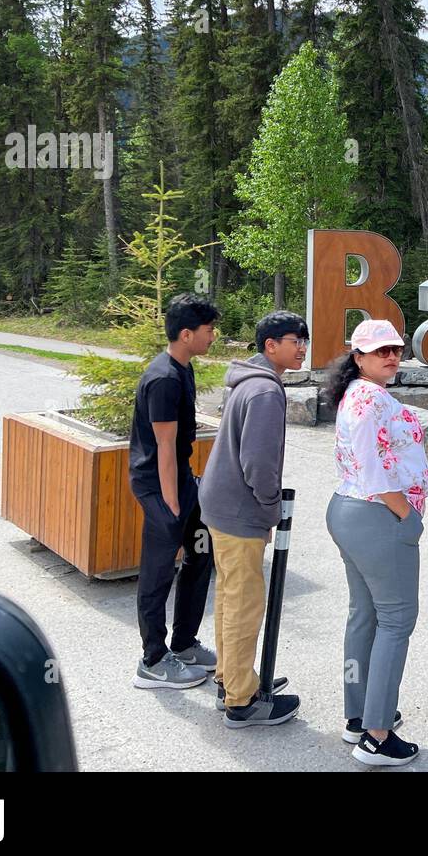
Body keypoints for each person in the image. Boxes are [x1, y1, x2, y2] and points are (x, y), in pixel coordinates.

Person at [323, 319, 428, 767]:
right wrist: (406, 514)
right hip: (377, 514)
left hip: (353, 511)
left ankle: (360, 714)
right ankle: (378, 735)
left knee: (364, 615)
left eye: (396, 349)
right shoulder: (369, 398)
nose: (391, 356)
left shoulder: (359, 393)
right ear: (358, 356)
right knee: (396, 620)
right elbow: (372, 468)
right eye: (380, 350)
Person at [200, 311, 308, 728]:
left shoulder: (247, 381)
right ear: (270, 345)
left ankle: (231, 678)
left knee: (231, 596)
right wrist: (270, 506)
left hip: (221, 504)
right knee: (244, 603)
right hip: (240, 510)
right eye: (295, 341)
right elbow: (259, 463)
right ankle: (242, 701)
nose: (302, 349)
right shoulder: (264, 391)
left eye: (304, 341)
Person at [130, 293, 220, 689]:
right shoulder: (164, 378)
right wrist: (172, 505)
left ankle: (183, 644)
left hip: (181, 479)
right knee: (158, 571)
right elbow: (164, 446)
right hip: (158, 486)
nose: (213, 336)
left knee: (201, 552)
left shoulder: (184, 367)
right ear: (186, 334)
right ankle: (152, 659)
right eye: (208, 329)